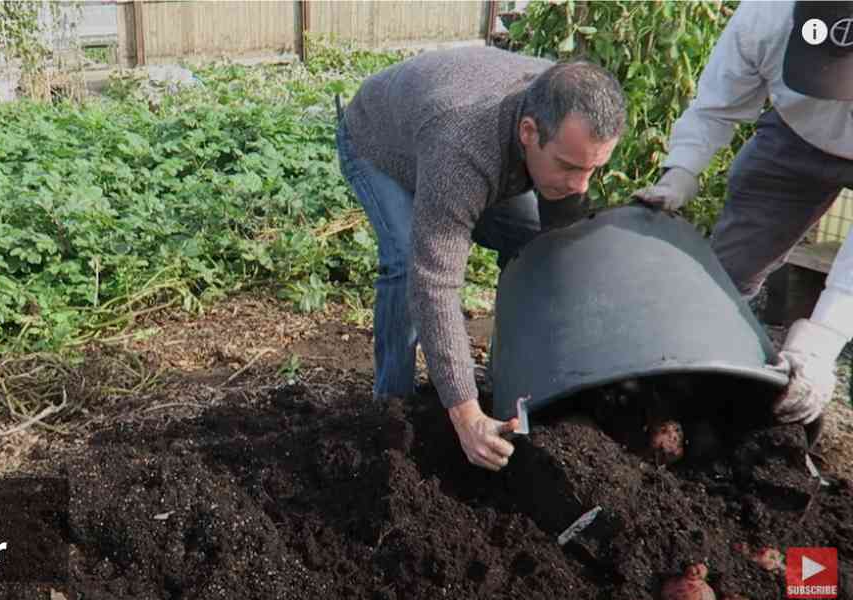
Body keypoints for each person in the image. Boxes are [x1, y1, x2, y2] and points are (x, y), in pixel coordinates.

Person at [337, 47, 626, 470]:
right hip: (379, 142)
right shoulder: (463, 151)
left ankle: (508, 383)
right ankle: (392, 406)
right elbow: (434, 281)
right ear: (529, 132)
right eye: (567, 166)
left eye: (593, 169)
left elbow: (558, 242)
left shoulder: (566, 108)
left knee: (531, 245)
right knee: (405, 262)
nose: (580, 185)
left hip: (455, 136)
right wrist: (465, 412)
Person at [634, 1, 853, 435]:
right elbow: (716, 104)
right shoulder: (767, 16)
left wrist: (824, 337)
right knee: (723, 276)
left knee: (826, 337)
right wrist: (681, 174)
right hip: (795, 136)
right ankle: (687, 389)